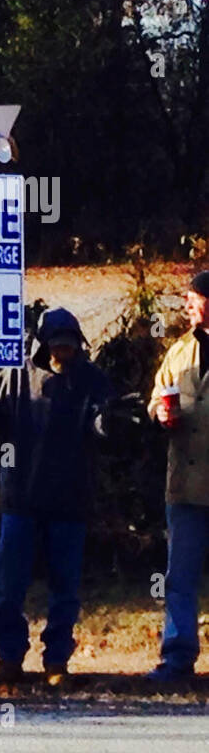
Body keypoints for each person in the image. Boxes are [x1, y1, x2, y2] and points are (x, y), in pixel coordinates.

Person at [0, 307, 127, 688]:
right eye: (57, 345)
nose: (63, 352)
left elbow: (101, 426)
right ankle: (8, 658)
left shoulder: (92, 381)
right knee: (8, 587)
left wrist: (109, 423)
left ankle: (57, 662)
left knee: (65, 590)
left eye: (70, 345)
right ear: (41, 345)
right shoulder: (15, 376)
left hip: (70, 502)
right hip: (20, 500)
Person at [147, 272, 209, 685]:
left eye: (194, 298)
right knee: (180, 578)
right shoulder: (179, 352)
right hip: (185, 489)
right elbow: (157, 396)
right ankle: (177, 659)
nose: (186, 305)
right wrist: (160, 413)